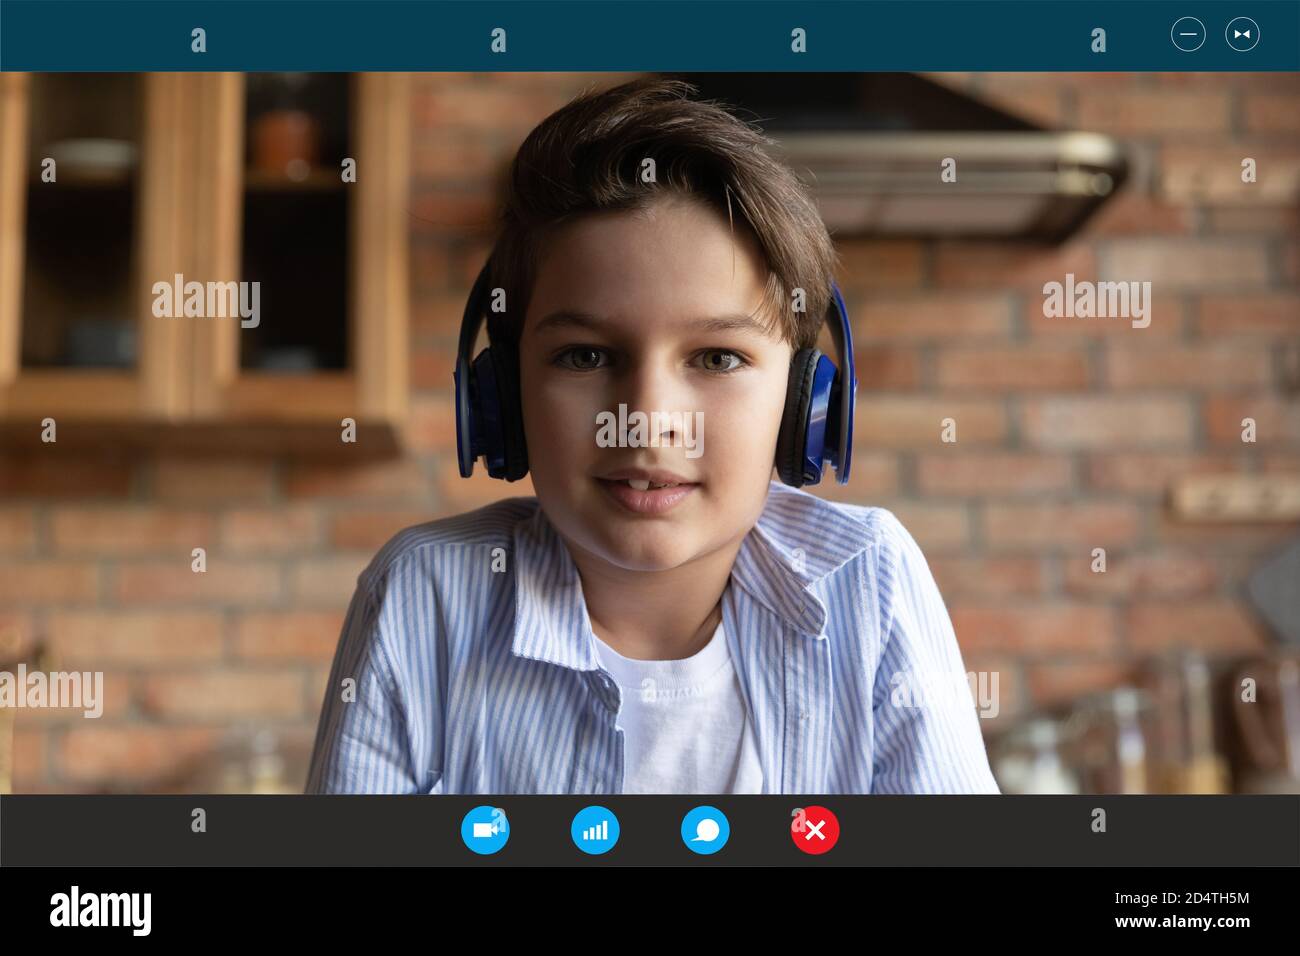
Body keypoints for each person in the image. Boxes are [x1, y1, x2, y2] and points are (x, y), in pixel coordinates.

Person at [306, 77, 999, 795]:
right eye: (585, 355)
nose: (646, 417)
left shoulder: (870, 582)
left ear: (803, 406)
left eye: (717, 358)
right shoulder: (425, 596)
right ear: (504, 397)